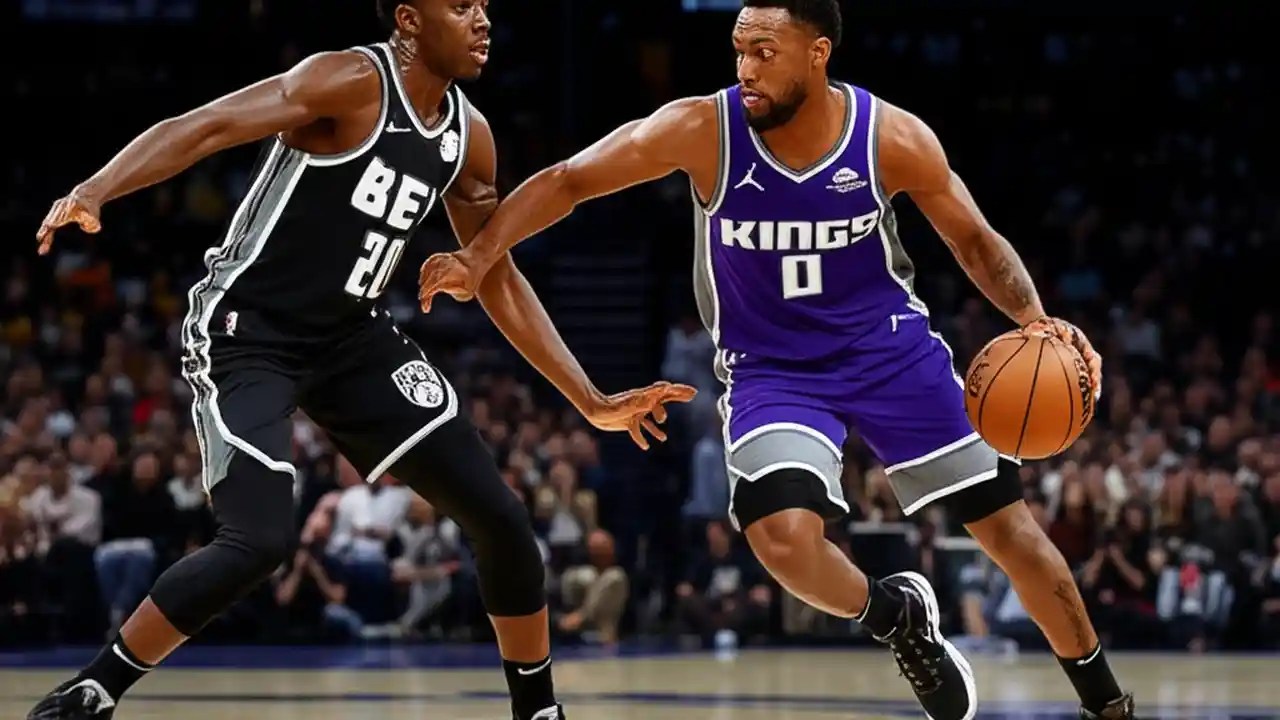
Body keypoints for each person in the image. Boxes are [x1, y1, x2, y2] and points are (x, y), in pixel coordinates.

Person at [416, 1, 1134, 719]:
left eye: (764, 52)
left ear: (818, 54)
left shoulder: (891, 137)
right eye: (739, 50)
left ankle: (1105, 704)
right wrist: (480, 255)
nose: (745, 69)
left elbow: (974, 241)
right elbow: (569, 180)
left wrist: (1036, 321)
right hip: (772, 370)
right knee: (782, 539)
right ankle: (896, 618)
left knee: (1008, 529)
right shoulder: (704, 129)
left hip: (889, 351)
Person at [27, 2, 695, 719]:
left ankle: (538, 712)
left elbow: (492, 271)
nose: (482, 20)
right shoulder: (347, 81)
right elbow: (207, 125)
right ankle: (95, 689)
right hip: (250, 332)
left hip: (353, 339)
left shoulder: (469, 134)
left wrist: (589, 398)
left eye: (485, 6)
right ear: (409, 19)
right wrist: (98, 187)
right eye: (460, 6)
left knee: (500, 518)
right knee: (258, 541)